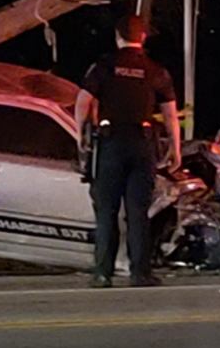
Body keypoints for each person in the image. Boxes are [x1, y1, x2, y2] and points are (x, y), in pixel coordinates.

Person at [75, 15, 182, 288]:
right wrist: (175, 149)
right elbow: (170, 115)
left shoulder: (104, 66)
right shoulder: (155, 70)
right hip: (143, 144)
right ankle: (140, 273)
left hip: (110, 144)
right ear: (142, 38)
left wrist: (81, 136)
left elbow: (83, 101)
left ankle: (102, 273)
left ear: (117, 36)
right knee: (138, 212)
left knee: (107, 211)